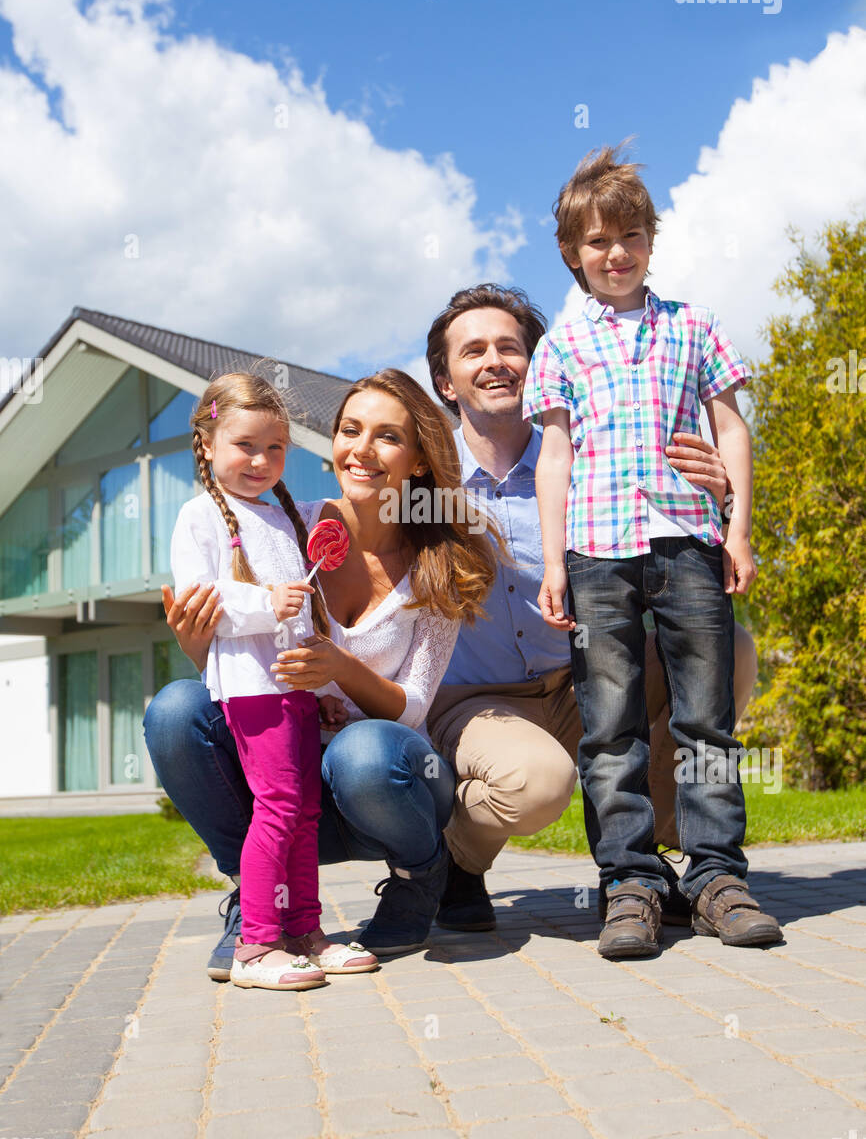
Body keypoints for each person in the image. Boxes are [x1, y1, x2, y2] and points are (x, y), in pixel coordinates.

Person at [425, 283, 758, 933]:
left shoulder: (592, 465)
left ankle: (652, 859)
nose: (495, 361)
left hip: (589, 678)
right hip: (481, 702)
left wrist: (719, 496)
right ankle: (456, 861)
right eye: (474, 351)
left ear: (540, 364)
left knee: (732, 652)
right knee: (537, 781)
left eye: (510, 347)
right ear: (445, 379)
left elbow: (675, 552)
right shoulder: (424, 483)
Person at [144, 368, 499, 971]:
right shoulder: (285, 525)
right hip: (286, 754)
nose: (361, 450)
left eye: (387, 436)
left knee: (361, 751)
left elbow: (413, 706)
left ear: (417, 460)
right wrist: (197, 643)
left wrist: (340, 669)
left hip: (384, 787)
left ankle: (424, 874)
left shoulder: (438, 565)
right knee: (176, 709)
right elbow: (245, 653)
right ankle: (260, 904)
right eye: (350, 429)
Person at [523, 145, 782, 958]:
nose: (617, 252)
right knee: (610, 727)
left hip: (689, 546)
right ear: (573, 253)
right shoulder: (561, 346)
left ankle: (715, 877)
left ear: (652, 240)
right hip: (597, 555)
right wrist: (557, 563)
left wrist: (737, 528)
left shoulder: (692, 326)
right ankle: (629, 884)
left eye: (631, 235)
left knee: (707, 718)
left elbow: (733, 428)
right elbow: (555, 457)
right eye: (599, 241)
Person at [171, 371, 378, 989]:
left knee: (305, 811)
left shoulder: (282, 517)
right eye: (244, 445)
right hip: (250, 690)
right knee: (280, 807)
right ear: (207, 443)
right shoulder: (199, 516)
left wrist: (326, 690)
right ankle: (256, 947)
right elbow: (200, 601)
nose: (261, 460)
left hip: (293, 691)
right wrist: (268, 601)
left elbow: (304, 622)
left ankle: (305, 932)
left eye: (275, 448)